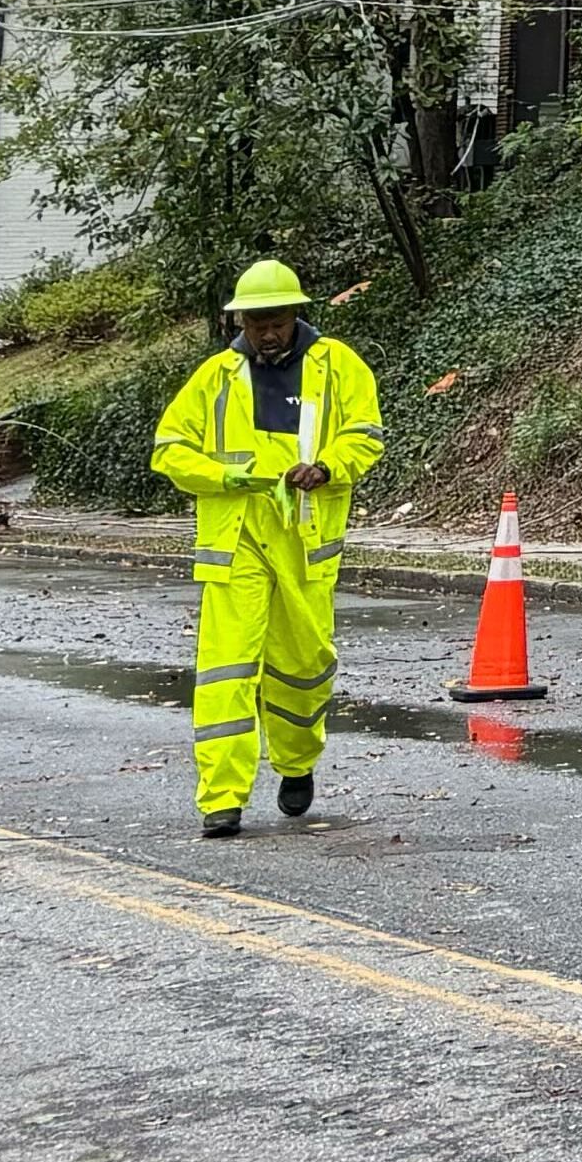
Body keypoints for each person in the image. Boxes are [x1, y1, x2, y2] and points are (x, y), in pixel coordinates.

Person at [148, 260, 384, 838]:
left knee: (302, 667)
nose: (266, 332)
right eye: (255, 322)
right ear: (241, 322)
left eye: (274, 320)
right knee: (225, 671)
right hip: (236, 543)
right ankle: (221, 799)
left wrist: (328, 467)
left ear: (296, 314)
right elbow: (169, 448)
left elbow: (365, 433)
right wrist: (220, 477)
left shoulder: (338, 368)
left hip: (304, 543)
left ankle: (296, 762)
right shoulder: (215, 376)